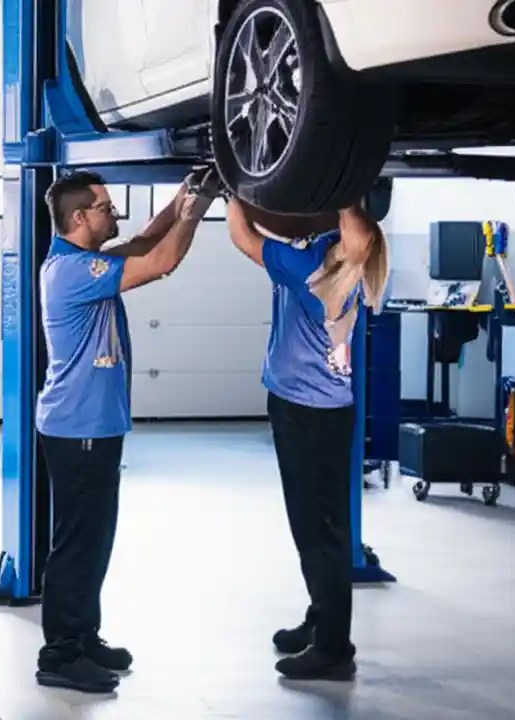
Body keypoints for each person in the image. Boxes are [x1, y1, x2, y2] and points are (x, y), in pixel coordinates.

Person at [33, 169, 218, 693]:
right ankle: (60, 654)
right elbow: (160, 262)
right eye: (106, 208)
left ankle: (83, 636)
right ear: (78, 218)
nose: (114, 215)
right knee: (77, 544)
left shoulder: (84, 261)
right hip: (79, 428)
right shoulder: (71, 271)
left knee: (94, 540)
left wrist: (186, 194)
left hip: (93, 426)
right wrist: (196, 210)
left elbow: (144, 241)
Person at [225, 196, 388, 681]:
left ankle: (333, 648)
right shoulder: (349, 263)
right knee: (323, 529)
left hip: (306, 413)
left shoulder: (317, 269)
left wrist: (235, 189)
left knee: (319, 534)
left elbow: (245, 239)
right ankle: (322, 621)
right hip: (325, 411)